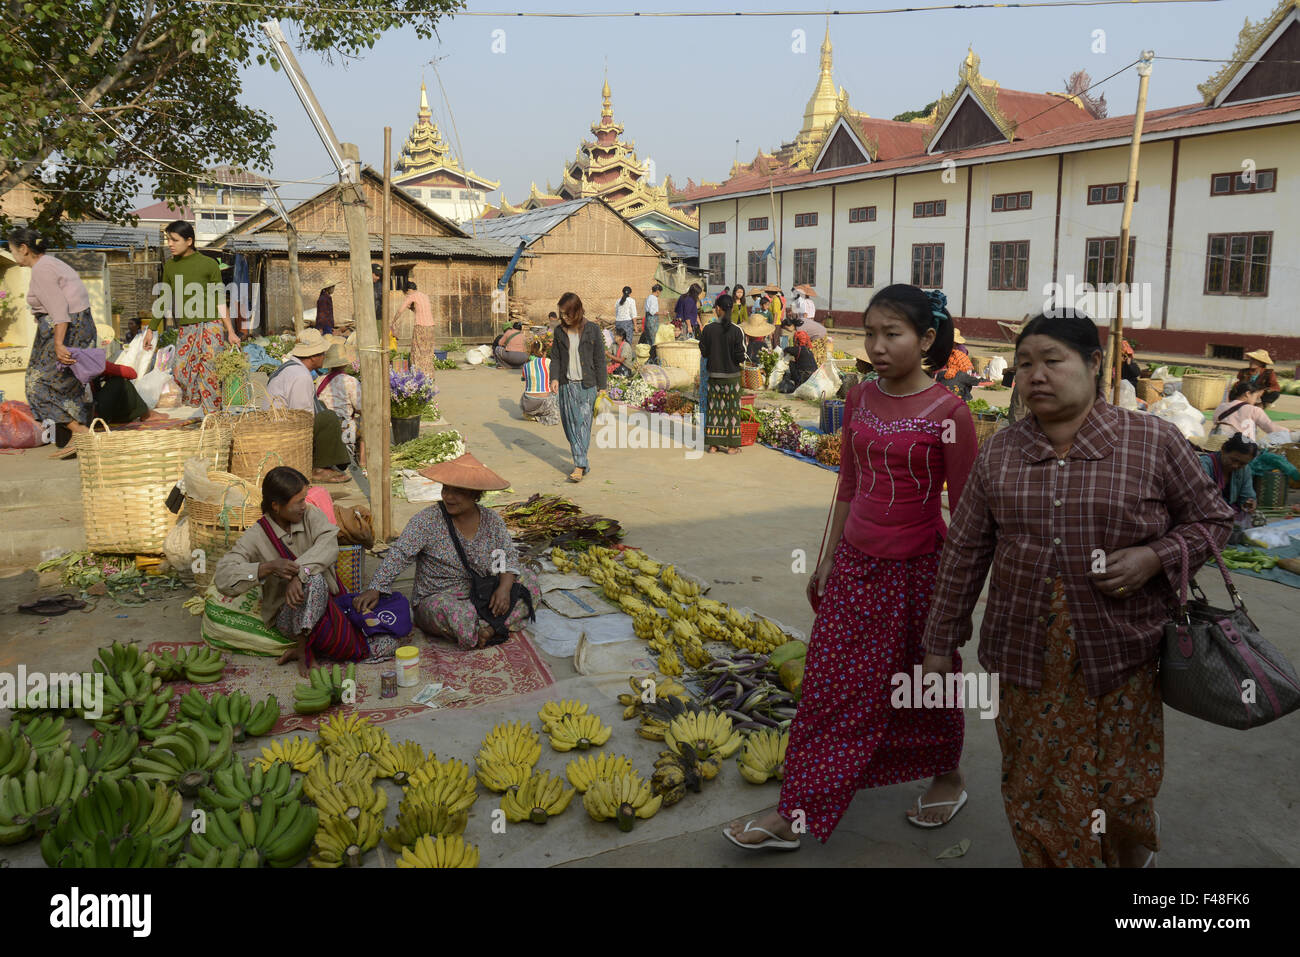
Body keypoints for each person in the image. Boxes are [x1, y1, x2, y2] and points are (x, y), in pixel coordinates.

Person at [922, 309, 1234, 868]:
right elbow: (964, 553)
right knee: (1034, 790)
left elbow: (1213, 522)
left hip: (1123, 657)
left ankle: (1132, 853)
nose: (1034, 375)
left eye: (1051, 361)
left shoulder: (1152, 442)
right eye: (1023, 364)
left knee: (1123, 790)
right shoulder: (1001, 452)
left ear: (1094, 364)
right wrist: (939, 642)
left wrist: (1153, 558)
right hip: (1024, 660)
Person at [726, 285, 976, 851]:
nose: (878, 346)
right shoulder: (859, 396)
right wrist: (827, 558)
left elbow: (964, 516)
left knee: (925, 682)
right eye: (870, 333)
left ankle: (948, 774)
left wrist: (955, 604)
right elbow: (848, 485)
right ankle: (799, 811)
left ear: (927, 339)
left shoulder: (950, 413)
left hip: (920, 572)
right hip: (857, 569)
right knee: (829, 687)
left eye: (893, 334)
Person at [354, 454, 541, 649]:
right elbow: (400, 553)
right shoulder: (428, 520)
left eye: (458, 492)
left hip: (481, 593)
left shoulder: (492, 520)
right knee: (454, 613)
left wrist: (503, 589)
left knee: (529, 583)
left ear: (475, 495)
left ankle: (488, 630)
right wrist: (376, 586)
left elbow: (507, 556)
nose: (448, 497)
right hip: (439, 598)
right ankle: (491, 626)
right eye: (446, 489)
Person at [214, 466, 369, 674]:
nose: (304, 506)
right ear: (276, 506)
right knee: (315, 581)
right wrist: (265, 568)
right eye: (298, 502)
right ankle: (304, 649)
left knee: (383, 643)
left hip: (326, 605)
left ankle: (312, 644)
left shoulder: (310, 515)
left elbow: (329, 543)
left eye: (304, 499)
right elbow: (223, 577)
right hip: (288, 617)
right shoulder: (256, 535)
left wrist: (300, 574)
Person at [6, 228, 97, 449]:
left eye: (12, 250)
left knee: (36, 385)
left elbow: (59, 310)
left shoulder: (42, 270)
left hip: (65, 331)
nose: (13, 254)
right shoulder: (51, 263)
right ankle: (76, 437)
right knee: (65, 384)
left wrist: (58, 344)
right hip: (75, 328)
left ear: (24, 249)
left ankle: (80, 432)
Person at [144, 220, 239, 413]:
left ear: (189, 241)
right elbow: (164, 297)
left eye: (174, 240)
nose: (170, 244)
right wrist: (151, 330)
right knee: (180, 371)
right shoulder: (170, 266)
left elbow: (220, 299)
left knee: (210, 373)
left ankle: (213, 419)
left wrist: (231, 331)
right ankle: (195, 412)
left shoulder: (208, 264)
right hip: (187, 328)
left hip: (211, 326)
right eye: (168, 239)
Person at [264, 328, 352, 484]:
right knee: (329, 418)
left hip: (277, 427)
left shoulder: (291, 368)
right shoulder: (301, 376)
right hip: (283, 434)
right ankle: (317, 468)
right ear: (312, 356)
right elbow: (303, 418)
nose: (324, 357)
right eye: (322, 353)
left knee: (323, 407)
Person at [549, 291, 606, 483]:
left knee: (582, 425)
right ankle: (583, 463)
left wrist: (602, 386)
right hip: (566, 385)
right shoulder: (559, 331)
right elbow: (555, 357)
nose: (564, 317)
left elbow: (600, 359)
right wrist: (554, 378)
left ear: (577, 311)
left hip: (587, 385)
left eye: (567, 314)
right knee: (569, 426)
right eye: (562, 314)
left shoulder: (593, 330)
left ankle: (579, 465)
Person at [698, 293, 746, 455]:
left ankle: (713, 445)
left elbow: (703, 351)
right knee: (732, 410)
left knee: (714, 409)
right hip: (732, 377)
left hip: (714, 376)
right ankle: (732, 446)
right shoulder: (737, 331)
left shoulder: (709, 329)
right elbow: (740, 356)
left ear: (718, 309)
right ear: (731, 309)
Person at [1199, 432, 1259, 525]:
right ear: (1223, 450)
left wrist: (1249, 501)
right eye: (1233, 460)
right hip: (1206, 515)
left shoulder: (1245, 469)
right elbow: (1202, 498)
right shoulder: (1205, 465)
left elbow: (1247, 494)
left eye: (1242, 463)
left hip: (1229, 514)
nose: (1236, 465)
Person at [316, 343, 363, 460]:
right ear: (345, 362)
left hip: (323, 425)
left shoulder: (320, 379)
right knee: (366, 422)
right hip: (342, 427)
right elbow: (361, 408)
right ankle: (363, 462)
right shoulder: (350, 381)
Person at [1210, 381, 1280, 442]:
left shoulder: (1221, 406)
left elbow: (1215, 421)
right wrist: (1288, 431)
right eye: (1256, 396)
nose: (1257, 400)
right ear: (1248, 393)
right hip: (1243, 450)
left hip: (1217, 445)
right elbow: (1271, 429)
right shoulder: (1254, 410)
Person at [520, 338, 559, 425]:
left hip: (527, 403)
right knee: (556, 386)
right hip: (543, 402)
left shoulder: (525, 365)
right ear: (542, 352)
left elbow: (524, 379)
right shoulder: (548, 361)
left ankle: (531, 414)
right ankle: (539, 417)